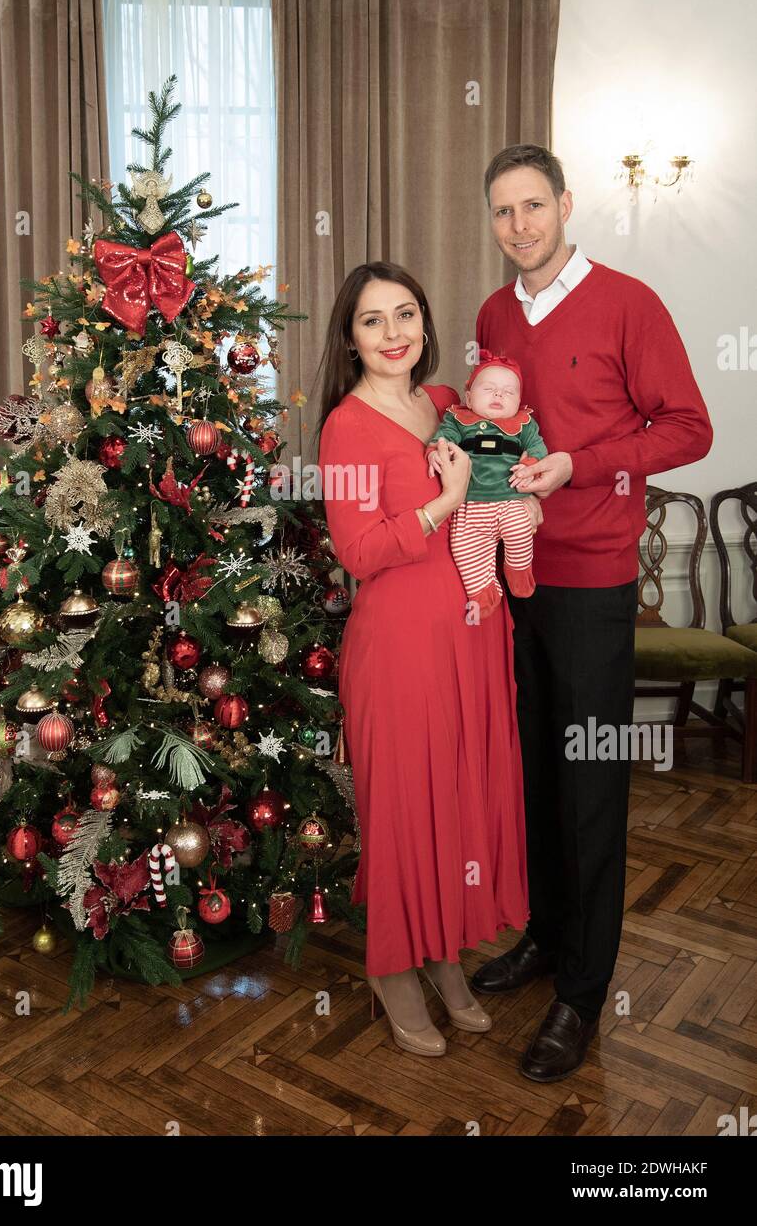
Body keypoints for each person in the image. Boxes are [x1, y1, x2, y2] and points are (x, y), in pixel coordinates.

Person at [470, 143, 713, 1082]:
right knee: (532, 772)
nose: (519, 226)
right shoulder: (494, 313)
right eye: (502, 212)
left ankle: (581, 993)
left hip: (593, 581)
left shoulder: (629, 303)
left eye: (533, 206)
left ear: (565, 205)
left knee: (589, 783)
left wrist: (584, 463)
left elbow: (689, 426)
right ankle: (543, 938)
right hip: (510, 575)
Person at [314, 260, 537, 1057]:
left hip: (473, 640)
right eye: (373, 320)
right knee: (406, 811)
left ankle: (444, 956)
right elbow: (357, 549)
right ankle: (392, 967)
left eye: (404, 314)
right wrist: (441, 505)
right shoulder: (344, 426)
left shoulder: (448, 405)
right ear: (350, 336)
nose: (393, 333)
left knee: (457, 803)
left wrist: (526, 486)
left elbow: (506, 469)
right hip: (400, 650)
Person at [425, 350, 549, 619]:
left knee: (520, 529)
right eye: (489, 389)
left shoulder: (524, 423)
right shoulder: (459, 419)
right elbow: (443, 437)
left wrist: (530, 464)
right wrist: (436, 450)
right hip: (470, 507)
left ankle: (518, 570)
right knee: (464, 549)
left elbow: (537, 447)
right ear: (469, 397)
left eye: (509, 392)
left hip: (510, 500)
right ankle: (483, 591)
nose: (499, 395)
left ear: (519, 400)